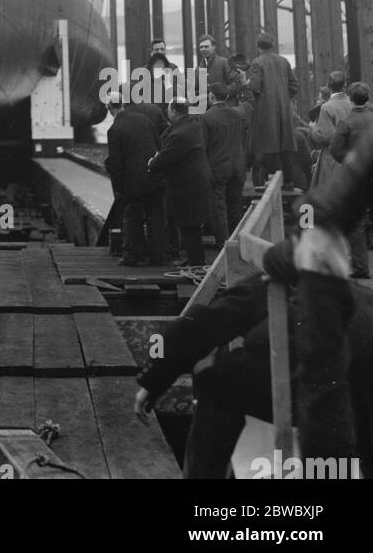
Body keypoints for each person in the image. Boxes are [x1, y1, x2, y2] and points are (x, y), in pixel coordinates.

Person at [133, 238, 373, 478]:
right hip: (348, 404)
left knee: (214, 382)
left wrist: (153, 380)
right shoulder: (364, 299)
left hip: (301, 388)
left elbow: (198, 326)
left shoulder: (270, 286)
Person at [147, 97, 213, 267]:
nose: (167, 112)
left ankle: (196, 262)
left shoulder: (179, 134)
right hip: (195, 181)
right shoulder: (193, 125)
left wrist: (152, 163)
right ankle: (194, 258)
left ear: (175, 112)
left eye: (168, 109)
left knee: (188, 224)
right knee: (190, 224)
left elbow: (167, 158)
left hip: (187, 185)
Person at [103, 92, 166, 266]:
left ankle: (132, 256)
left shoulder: (114, 129)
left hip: (133, 183)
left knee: (132, 218)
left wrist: (118, 189)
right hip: (154, 177)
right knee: (156, 218)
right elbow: (159, 146)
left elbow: (116, 164)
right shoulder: (144, 119)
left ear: (109, 108)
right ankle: (158, 257)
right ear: (123, 104)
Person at [330, 82, 373, 280]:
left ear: (350, 98)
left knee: (357, 221)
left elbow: (336, 150)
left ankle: (361, 266)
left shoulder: (346, 123)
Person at [201, 84, 249, 249]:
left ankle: (223, 242)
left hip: (217, 167)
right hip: (238, 166)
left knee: (219, 206)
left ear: (211, 96)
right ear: (227, 97)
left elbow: (203, 146)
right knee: (235, 205)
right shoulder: (238, 115)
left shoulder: (206, 118)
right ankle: (236, 241)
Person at [246, 33, 298, 182]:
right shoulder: (284, 61)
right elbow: (294, 86)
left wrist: (245, 84)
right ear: (273, 45)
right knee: (285, 148)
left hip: (264, 112)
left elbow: (254, 86)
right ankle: (288, 183)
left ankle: (264, 183)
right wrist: (283, 99)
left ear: (258, 47)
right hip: (284, 112)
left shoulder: (257, 63)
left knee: (264, 147)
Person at [308, 70, 352, 192]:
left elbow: (325, 137)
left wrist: (313, 129)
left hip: (333, 159)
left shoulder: (327, 107)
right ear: (345, 85)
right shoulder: (352, 104)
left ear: (328, 86)